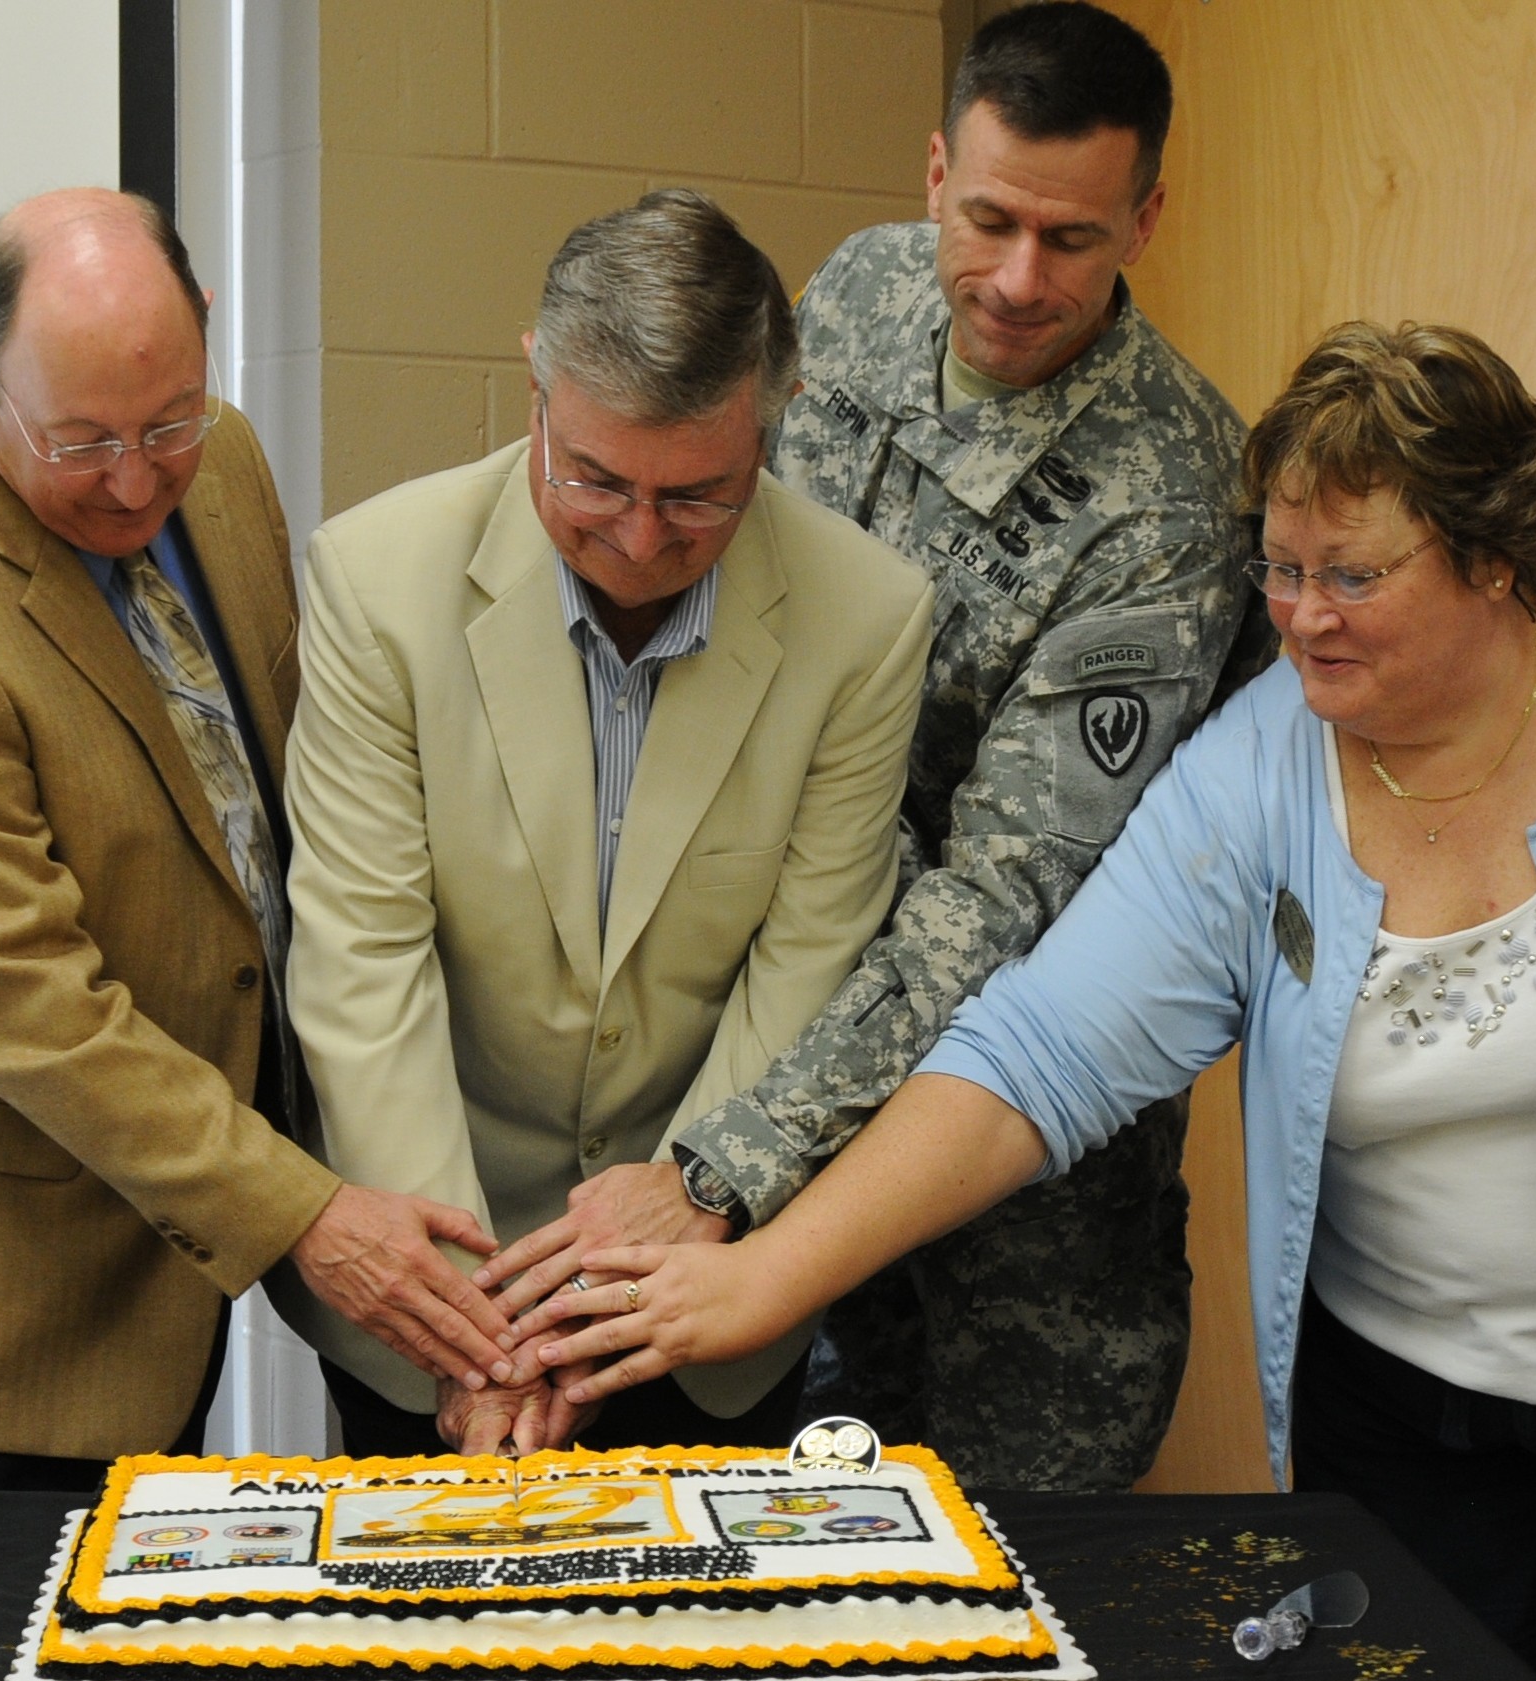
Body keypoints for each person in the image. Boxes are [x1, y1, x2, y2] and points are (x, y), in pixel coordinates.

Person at [511, 322, 1536, 1679]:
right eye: (1279, 570)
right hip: (1404, 1419)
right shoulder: (1261, 760)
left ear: (1495, 558)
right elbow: (1043, 1051)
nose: (1300, 619)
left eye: (1353, 575)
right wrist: (772, 1269)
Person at [483, 0, 1264, 1492]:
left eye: (1074, 238)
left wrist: (730, 1163)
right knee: (774, 1568)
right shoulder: (847, 298)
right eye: (987, 219)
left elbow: (998, 900)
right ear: (930, 174)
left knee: (988, 1586)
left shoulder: (1164, 496)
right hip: (769, 1053)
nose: (1018, 280)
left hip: (1001, 1186)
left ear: (1147, 219)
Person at [0, 189, 524, 1491]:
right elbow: (25, 1007)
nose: (134, 480)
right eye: (81, 441)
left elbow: (264, 811)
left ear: (205, 340)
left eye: (166, 418)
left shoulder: (218, 457)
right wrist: (306, 1212)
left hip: (157, 1266)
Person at [265, 189, 932, 1458]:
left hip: (708, 1288)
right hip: (435, 1286)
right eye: (595, 480)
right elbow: (363, 963)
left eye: (699, 498)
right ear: (537, 384)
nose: (637, 539)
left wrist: (653, 1256)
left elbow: (806, 968)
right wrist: (481, 1329)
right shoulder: (377, 581)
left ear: (769, 418)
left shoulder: (867, 616)